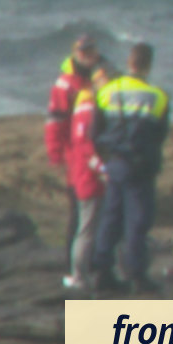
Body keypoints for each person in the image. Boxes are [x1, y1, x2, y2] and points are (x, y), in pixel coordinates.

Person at [91, 43, 170, 293]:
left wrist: (105, 157)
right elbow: (160, 134)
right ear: (149, 65)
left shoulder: (107, 91)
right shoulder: (157, 96)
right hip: (141, 166)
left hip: (114, 163)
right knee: (137, 221)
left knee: (111, 217)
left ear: (129, 62)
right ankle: (137, 274)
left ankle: (102, 271)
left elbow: (94, 132)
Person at [44, 34, 101, 277]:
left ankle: (92, 264)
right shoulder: (66, 84)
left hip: (92, 154)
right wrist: (56, 155)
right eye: (83, 51)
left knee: (93, 215)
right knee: (77, 215)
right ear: (75, 53)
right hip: (74, 156)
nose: (87, 55)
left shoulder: (98, 76)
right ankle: (72, 267)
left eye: (91, 50)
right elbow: (55, 122)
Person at [61, 63, 114, 290]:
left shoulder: (91, 105)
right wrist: (102, 169)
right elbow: (84, 145)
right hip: (87, 177)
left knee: (90, 226)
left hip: (86, 175)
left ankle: (84, 273)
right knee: (87, 229)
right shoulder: (86, 106)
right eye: (103, 79)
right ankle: (79, 276)